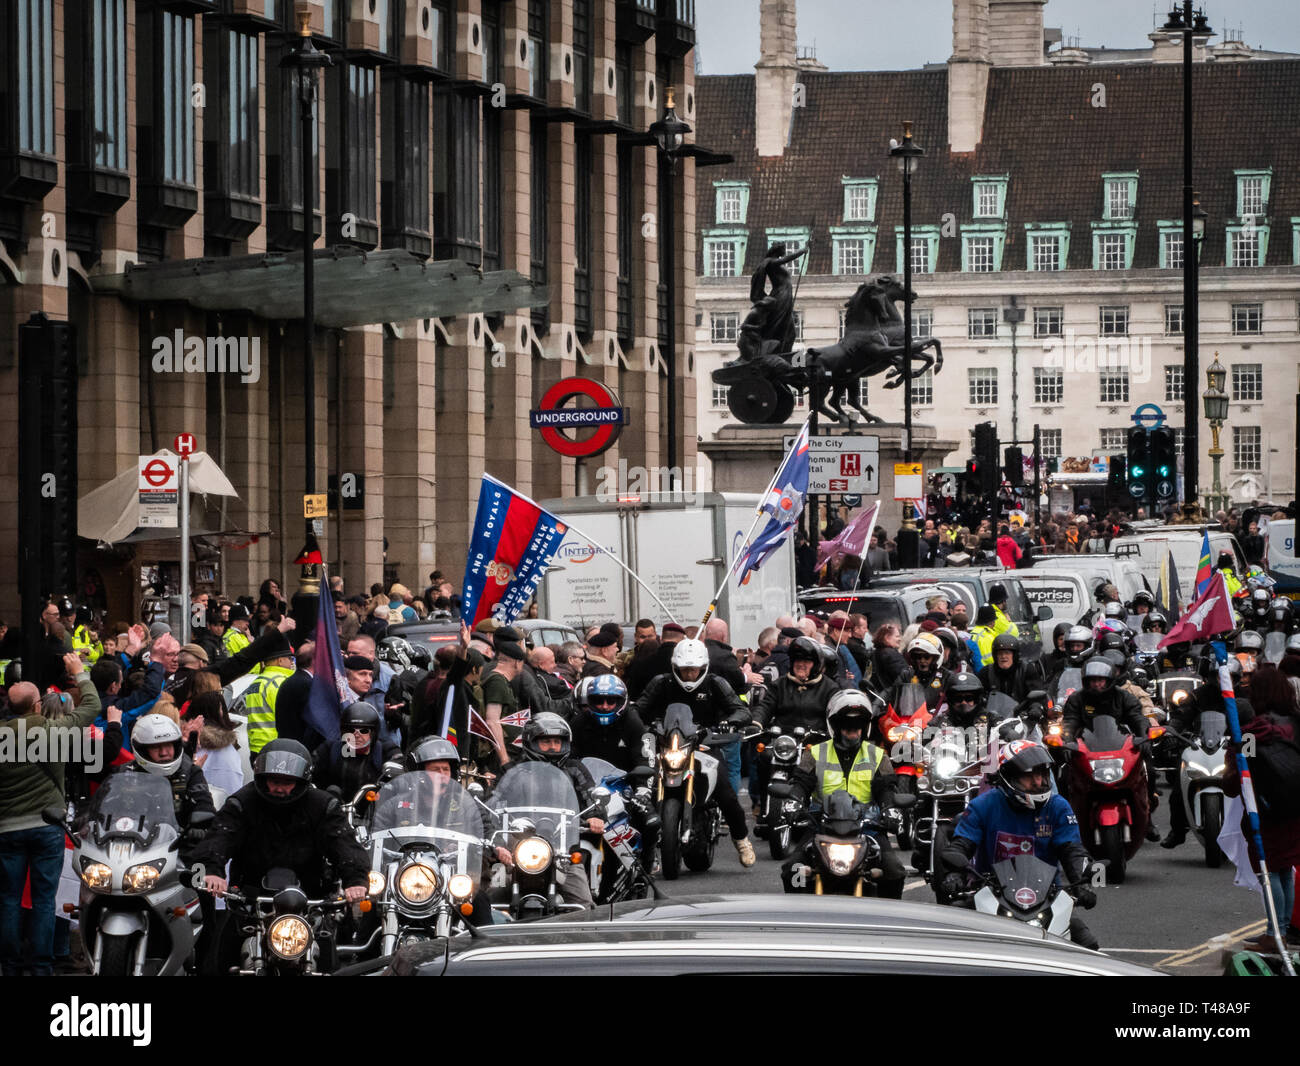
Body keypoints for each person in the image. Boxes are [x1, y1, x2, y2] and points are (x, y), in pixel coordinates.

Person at [939, 741, 1099, 950]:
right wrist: (954, 875)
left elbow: (1073, 851)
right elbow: (961, 846)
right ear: (1009, 777)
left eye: (1041, 774)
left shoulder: (1058, 806)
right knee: (951, 943)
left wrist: (1085, 882)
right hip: (991, 894)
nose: (1038, 781)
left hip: (1048, 898)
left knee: (1089, 946)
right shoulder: (983, 805)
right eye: (1029, 776)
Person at [0, 656, 101, 976]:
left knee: (9, 900)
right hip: (47, 825)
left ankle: (11, 965)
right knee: (45, 900)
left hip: (7, 828)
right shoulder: (54, 730)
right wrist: (79, 673)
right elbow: (93, 706)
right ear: (36, 707)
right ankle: (42, 966)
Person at [195, 740, 370, 917]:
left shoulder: (323, 806)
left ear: (302, 780)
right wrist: (212, 871)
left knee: (330, 936)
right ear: (263, 777)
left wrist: (356, 879)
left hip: (310, 900)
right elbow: (221, 834)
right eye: (274, 781)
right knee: (225, 942)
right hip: (250, 900)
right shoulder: (242, 803)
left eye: (287, 782)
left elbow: (342, 841)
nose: (279, 788)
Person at [631, 639, 757, 866]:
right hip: (667, 745)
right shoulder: (662, 683)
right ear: (675, 668)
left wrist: (730, 722)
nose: (689, 674)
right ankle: (643, 849)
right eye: (684, 670)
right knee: (642, 789)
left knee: (726, 793)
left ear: (703, 667)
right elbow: (639, 709)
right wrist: (644, 725)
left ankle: (742, 840)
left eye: (693, 670)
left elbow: (740, 709)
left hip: (704, 745)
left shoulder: (715, 683)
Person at [784, 690, 904, 898]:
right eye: (847, 725)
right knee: (792, 871)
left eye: (858, 725)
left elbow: (886, 789)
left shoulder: (878, 755)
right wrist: (793, 802)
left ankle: (888, 922)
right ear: (835, 726)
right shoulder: (814, 753)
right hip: (821, 824)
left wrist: (891, 810)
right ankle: (797, 913)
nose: (853, 730)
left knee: (894, 872)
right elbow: (801, 783)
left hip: (867, 827)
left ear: (865, 727)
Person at [490, 713, 600, 909]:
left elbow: (590, 795)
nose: (552, 746)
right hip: (519, 850)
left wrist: (595, 816)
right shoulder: (515, 771)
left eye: (557, 741)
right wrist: (491, 820)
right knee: (484, 901)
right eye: (546, 741)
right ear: (531, 743)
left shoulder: (574, 769)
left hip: (563, 852)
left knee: (585, 905)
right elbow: (494, 801)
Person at [120, 713, 216, 859]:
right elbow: (105, 803)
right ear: (142, 749)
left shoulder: (190, 772)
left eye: (168, 745)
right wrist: (87, 817)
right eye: (156, 747)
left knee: (196, 874)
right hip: (130, 849)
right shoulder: (125, 773)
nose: (164, 752)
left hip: (178, 850)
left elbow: (204, 804)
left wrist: (197, 829)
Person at [311, 703, 401, 798]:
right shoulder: (330, 749)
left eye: (364, 731)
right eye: (351, 730)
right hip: (333, 807)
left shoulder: (384, 750)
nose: (356, 735)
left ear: (374, 733)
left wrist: (397, 766)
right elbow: (310, 767)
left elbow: (399, 762)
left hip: (372, 808)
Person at [240, 629, 296, 759]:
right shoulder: (280, 682)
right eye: (289, 658)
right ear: (280, 661)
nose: (292, 662)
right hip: (276, 748)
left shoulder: (256, 682)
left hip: (255, 748)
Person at [979, 633, 1044, 703]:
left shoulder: (1026, 670)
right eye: (1000, 653)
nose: (1003, 656)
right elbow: (979, 697)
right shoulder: (986, 672)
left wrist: (1035, 708)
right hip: (993, 712)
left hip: (1022, 711)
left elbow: (1036, 693)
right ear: (995, 655)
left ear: (1015, 655)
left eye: (1007, 653)